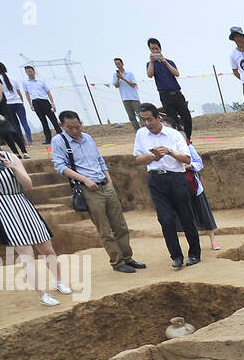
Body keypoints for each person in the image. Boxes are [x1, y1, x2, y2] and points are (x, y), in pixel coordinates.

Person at [0, 123, 71, 306]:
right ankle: (42, 294)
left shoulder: (10, 156)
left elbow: (28, 184)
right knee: (26, 253)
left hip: (23, 204)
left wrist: (13, 168)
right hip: (2, 208)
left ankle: (59, 281)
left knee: (47, 248)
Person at [52, 110, 145, 274]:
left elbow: (99, 159)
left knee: (120, 225)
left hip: (104, 184)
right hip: (88, 189)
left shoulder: (87, 138)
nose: (74, 131)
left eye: (77, 126)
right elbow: (61, 166)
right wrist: (85, 180)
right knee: (104, 228)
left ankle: (127, 257)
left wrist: (107, 178)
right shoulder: (59, 142)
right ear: (62, 126)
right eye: (70, 128)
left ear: (80, 123)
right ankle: (117, 262)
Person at [133, 103, 200, 268]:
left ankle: (194, 253)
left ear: (158, 117)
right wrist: (151, 157)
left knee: (186, 217)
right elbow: (138, 159)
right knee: (166, 219)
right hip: (155, 179)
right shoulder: (141, 134)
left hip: (176, 178)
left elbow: (187, 159)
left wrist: (169, 152)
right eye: (144, 120)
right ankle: (176, 256)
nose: (147, 123)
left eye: (150, 119)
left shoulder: (173, 134)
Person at [145, 38, 193, 139]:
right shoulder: (150, 64)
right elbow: (149, 75)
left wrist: (165, 62)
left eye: (156, 48)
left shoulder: (169, 62)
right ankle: (180, 139)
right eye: (152, 49)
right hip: (165, 95)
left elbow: (176, 73)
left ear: (160, 49)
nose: (154, 51)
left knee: (186, 117)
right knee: (173, 120)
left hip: (176, 93)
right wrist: (152, 62)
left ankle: (187, 138)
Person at [186, 141, 219, 250]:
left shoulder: (188, 146)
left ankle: (213, 241)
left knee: (204, 214)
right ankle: (194, 245)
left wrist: (188, 166)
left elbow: (199, 163)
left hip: (194, 187)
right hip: (178, 188)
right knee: (187, 218)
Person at [0, 61, 33, 147]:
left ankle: (22, 141)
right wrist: (22, 102)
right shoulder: (13, 79)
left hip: (8, 104)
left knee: (16, 124)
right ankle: (30, 141)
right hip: (18, 102)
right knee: (24, 123)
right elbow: (19, 92)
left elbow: (0, 92)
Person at [22, 66, 61, 145]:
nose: (29, 73)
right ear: (26, 73)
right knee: (43, 121)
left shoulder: (41, 80)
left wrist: (52, 103)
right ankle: (48, 139)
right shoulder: (25, 82)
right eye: (27, 72)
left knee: (53, 119)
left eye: (30, 71)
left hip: (45, 102)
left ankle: (61, 136)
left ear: (34, 71)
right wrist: (30, 104)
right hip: (35, 102)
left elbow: (48, 92)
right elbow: (27, 94)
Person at [113, 59, 142, 131]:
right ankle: (137, 131)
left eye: (119, 63)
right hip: (125, 98)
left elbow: (133, 84)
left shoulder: (129, 73)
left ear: (122, 64)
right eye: (116, 64)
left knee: (140, 115)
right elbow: (116, 86)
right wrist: (118, 78)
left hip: (134, 98)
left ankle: (145, 129)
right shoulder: (115, 75)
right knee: (131, 117)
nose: (118, 65)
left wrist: (123, 78)